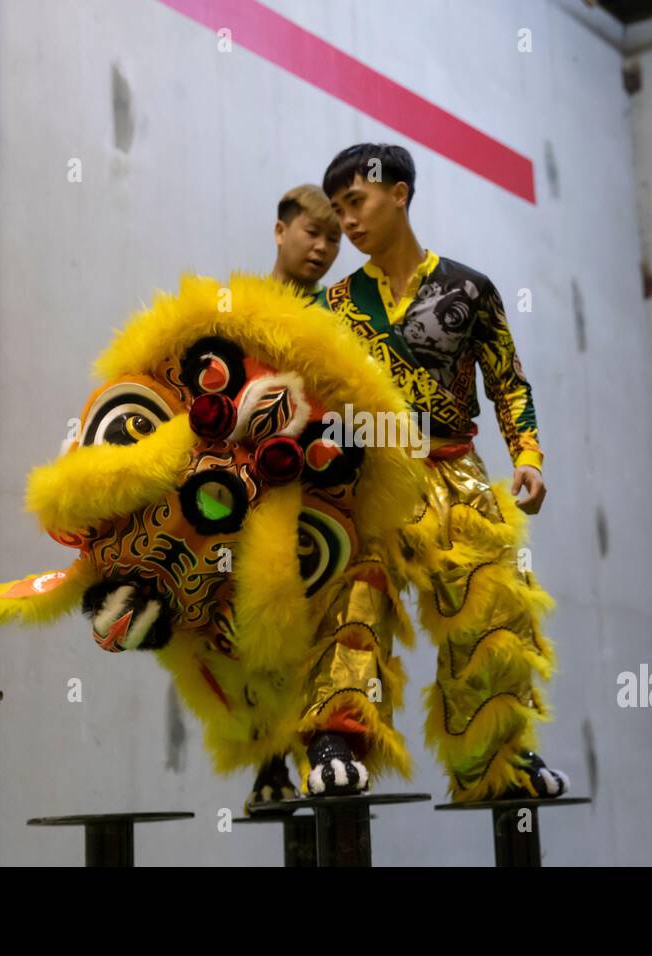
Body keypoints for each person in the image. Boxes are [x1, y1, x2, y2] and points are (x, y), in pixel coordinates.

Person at [296, 143, 569, 803]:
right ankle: (335, 739)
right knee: (350, 597)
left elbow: (509, 385)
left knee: (492, 607)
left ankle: (498, 759)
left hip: (456, 470)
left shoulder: (469, 289)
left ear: (399, 193)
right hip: (369, 475)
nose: (348, 223)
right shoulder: (332, 304)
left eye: (355, 203)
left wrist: (528, 458)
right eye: (336, 210)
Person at [268, 184, 341, 305]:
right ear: (280, 232)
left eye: (333, 239)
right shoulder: (235, 302)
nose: (322, 247)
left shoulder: (344, 313)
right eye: (312, 232)